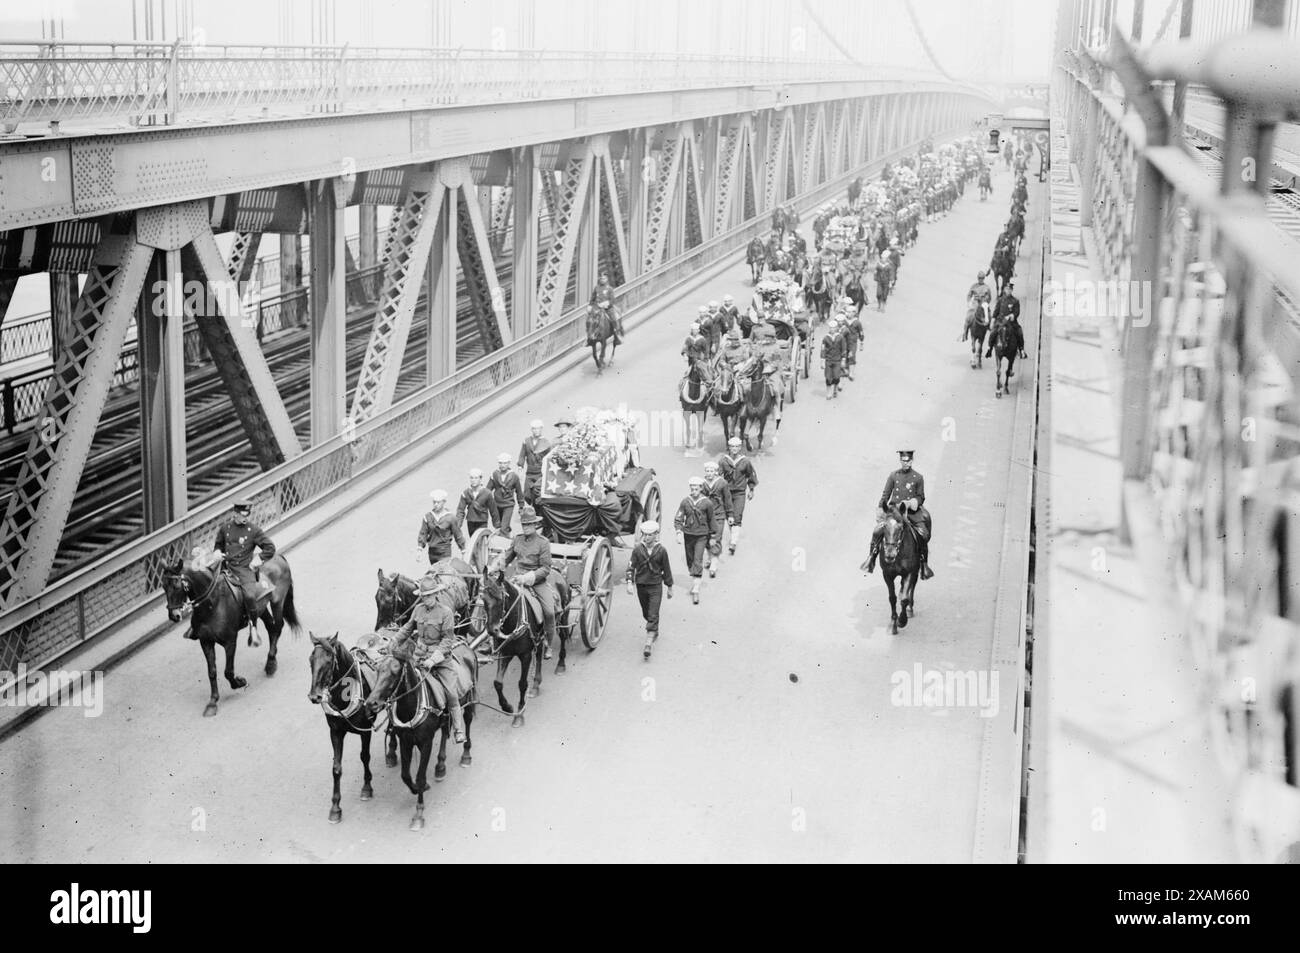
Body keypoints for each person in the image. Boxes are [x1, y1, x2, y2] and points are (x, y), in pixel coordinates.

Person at [392, 574, 469, 743]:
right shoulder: (418, 609)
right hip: (418, 656)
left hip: (441, 661)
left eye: (429, 595)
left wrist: (433, 660)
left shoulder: (446, 613)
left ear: (436, 594)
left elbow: (448, 640)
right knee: (399, 683)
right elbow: (407, 628)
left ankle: (457, 728)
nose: (426, 599)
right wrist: (394, 641)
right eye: (423, 596)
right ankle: (394, 723)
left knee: (451, 692)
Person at [489, 504, 558, 655]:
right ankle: (493, 639)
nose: (526, 527)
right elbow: (507, 557)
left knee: (549, 612)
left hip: (536, 582)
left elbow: (546, 568)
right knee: (495, 602)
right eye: (524, 524)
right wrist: (493, 567)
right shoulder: (518, 539)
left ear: (535, 524)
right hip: (517, 580)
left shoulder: (543, 542)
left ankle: (548, 643)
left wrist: (528, 577)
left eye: (529, 524)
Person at [207, 498, 276, 640]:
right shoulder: (225, 528)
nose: (245, 518)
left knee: (250, 596)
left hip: (245, 569)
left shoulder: (253, 530)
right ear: (235, 513)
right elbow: (218, 544)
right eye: (243, 515)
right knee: (206, 586)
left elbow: (270, 547)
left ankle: (253, 626)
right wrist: (217, 552)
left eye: (247, 515)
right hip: (226, 566)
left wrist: (259, 559)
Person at [863, 450, 934, 580]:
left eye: (908, 460)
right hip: (894, 512)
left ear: (912, 461)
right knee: (877, 531)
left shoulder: (918, 477)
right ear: (900, 461)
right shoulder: (893, 476)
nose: (905, 463)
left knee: (922, 534)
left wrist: (911, 502)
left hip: (911, 512)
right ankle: (871, 558)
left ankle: (924, 564)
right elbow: (885, 494)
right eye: (903, 460)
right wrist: (880, 509)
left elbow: (921, 497)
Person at [625, 521, 674, 659]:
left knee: (653, 613)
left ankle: (648, 642)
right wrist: (629, 583)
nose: (646, 537)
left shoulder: (662, 551)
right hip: (641, 585)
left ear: (656, 535)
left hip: (655, 586)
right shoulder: (637, 550)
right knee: (646, 612)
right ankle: (654, 629)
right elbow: (630, 567)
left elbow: (667, 569)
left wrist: (669, 587)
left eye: (650, 535)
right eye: (645, 534)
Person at [673, 476, 716, 604]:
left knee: (697, 560)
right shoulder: (685, 502)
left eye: (696, 489)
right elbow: (679, 517)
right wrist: (678, 531)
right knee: (690, 560)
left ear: (701, 488)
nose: (694, 491)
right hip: (688, 535)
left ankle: (696, 589)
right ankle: (695, 579)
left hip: (702, 536)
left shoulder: (707, 503)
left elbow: (711, 519)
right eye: (692, 488)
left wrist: (713, 536)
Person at [717, 436, 757, 553]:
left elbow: (751, 475)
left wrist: (751, 489)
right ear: (729, 447)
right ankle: (733, 535)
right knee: (729, 516)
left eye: (736, 446)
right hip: (727, 492)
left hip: (740, 492)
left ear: (740, 447)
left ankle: (733, 542)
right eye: (732, 446)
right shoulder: (723, 461)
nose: (734, 449)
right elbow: (718, 475)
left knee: (737, 516)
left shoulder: (745, 461)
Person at [701, 460, 733, 577]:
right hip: (705, 516)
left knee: (716, 538)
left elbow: (727, 499)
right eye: (707, 471)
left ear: (716, 472)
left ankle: (714, 564)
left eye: (712, 471)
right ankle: (710, 557)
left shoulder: (722, 483)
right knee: (706, 538)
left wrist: (730, 515)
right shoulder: (701, 484)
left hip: (719, 515)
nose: (709, 473)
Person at [417, 489, 466, 562]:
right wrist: (419, 550)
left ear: (444, 502)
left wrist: (463, 551)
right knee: (435, 571)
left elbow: (458, 534)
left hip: (445, 552)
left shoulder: (451, 518)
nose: (436, 504)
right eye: (434, 502)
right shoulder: (428, 517)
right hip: (432, 553)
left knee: (443, 570)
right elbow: (423, 533)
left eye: (438, 502)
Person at [487, 453, 525, 538]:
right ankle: (508, 534)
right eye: (500, 463)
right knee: (498, 525)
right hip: (497, 504)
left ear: (509, 464)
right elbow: (488, 490)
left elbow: (519, 492)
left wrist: (521, 505)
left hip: (508, 505)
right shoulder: (495, 475)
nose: (502, 465)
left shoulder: (514, 476)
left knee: (503, 527)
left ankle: (502, 545)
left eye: (505, 463)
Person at [518, 419, 552, 505]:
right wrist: (520, 467)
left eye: (538, 428)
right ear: (531, 430)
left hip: (540, 472)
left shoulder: (546, 442)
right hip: (529, 472)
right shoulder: (526, 441)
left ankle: (537, 512)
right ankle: (531, 509)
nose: (536, 431)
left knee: (538, 493)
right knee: (527, 494)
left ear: (541, 429)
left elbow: (549, 458)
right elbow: (522, 454)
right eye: (534, 429)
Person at [457, 468, 494, 537]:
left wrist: (497, 524)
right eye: (471, 478)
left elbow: (493, 509)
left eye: (476, 478)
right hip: (471, 521)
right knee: (473, 542)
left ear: (480, 479)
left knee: (482, 540)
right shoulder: (466, 493)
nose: (473, 480)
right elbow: (460, 509)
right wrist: (458, 524)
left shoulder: (487, 493)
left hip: (482, 521)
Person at [589, 272, 623, 343]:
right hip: (598, 308)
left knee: (613, 318)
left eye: (604, 278)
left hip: (608, 308)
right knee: (591, 320)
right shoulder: (596, 288)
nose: (602, 280)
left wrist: (607, 304)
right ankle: (590, 336)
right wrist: (590, 305)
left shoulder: (609, 289)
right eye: (601, 278)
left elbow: (612, 300)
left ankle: (617, 334)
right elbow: (593, 298)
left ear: (606, 279)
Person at [963, 270, 993, 341]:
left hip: (983, 302)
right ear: (977, 278)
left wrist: (986, 301)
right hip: (975, 302)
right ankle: (965, 332)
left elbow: (989, 297)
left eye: (982, 278)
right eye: (979, 278)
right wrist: (969, 302)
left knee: (988, 313)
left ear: (984, 278)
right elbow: (969, 295)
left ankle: (988, 326)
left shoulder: (986, 287)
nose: (981, 279)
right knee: (968, 316)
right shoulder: (974, 286)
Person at [821, 315, 846, 399]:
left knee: (836, 376)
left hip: (837, 360)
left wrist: (843, 359)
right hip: (828, 360)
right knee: (828, 377)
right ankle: (828, 392)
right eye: (830, 328)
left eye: (833, 328)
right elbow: (823, 349)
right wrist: (822, 361)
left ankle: (835, 388)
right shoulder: (826, 338)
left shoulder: (840, 337)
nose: (832, 329)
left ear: (836, 328)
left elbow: (843, 348)